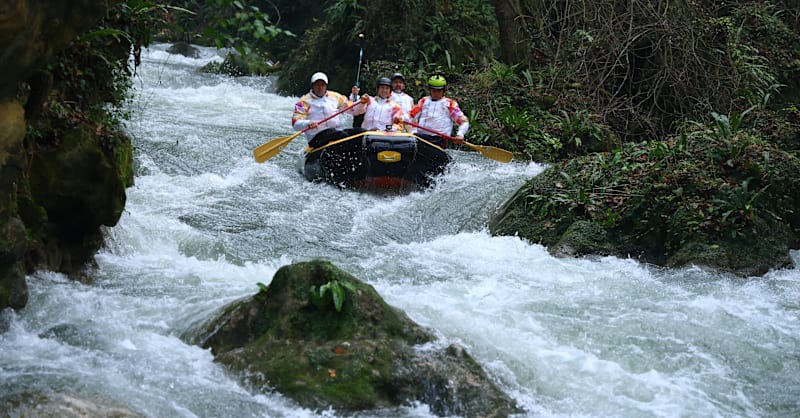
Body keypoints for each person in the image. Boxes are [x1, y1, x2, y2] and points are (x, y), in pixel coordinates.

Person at [291, 72, 367, 148]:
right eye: (317, 85)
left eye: (322, 85)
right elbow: (295, 123)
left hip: (337, 134)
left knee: (361, 132)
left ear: (326, 86)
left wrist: (362, 103)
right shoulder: (303, 102)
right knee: (337, 134)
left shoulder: (336, 97)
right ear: (312, 86)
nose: (320, 88)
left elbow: (354, 110)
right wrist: (308, 123)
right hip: (316, 139)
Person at [408, 75, 469, 147]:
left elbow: (464, 122)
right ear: (430, 90)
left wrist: (460, 135)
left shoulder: (450, 104)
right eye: (433, 90)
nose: (436, 93)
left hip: (439, 139)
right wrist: (400, 119)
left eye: (439, 91)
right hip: (421, 136)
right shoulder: (423, 101)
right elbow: (411, 116)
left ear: (443, 91)